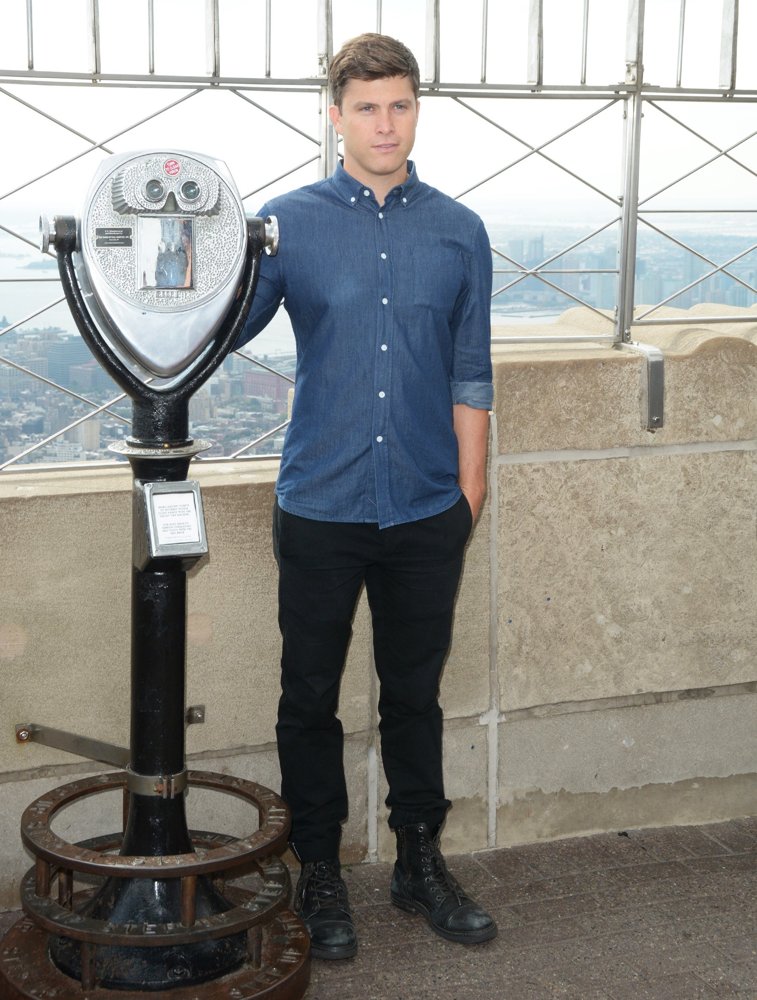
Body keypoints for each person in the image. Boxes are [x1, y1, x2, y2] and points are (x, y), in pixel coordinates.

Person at [235, 32, 496, 960]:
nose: (385, 124)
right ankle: (320, 871)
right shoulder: (287, 222)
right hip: (321, 501)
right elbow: (226, 329)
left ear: (416, 110)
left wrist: (467, 493)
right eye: (367, 107)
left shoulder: (459, 229)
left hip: (428, 507)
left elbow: (472, 371)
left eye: (400, 105)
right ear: (335, 114)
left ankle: (419, 861)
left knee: (414, 694)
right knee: (308, 697)